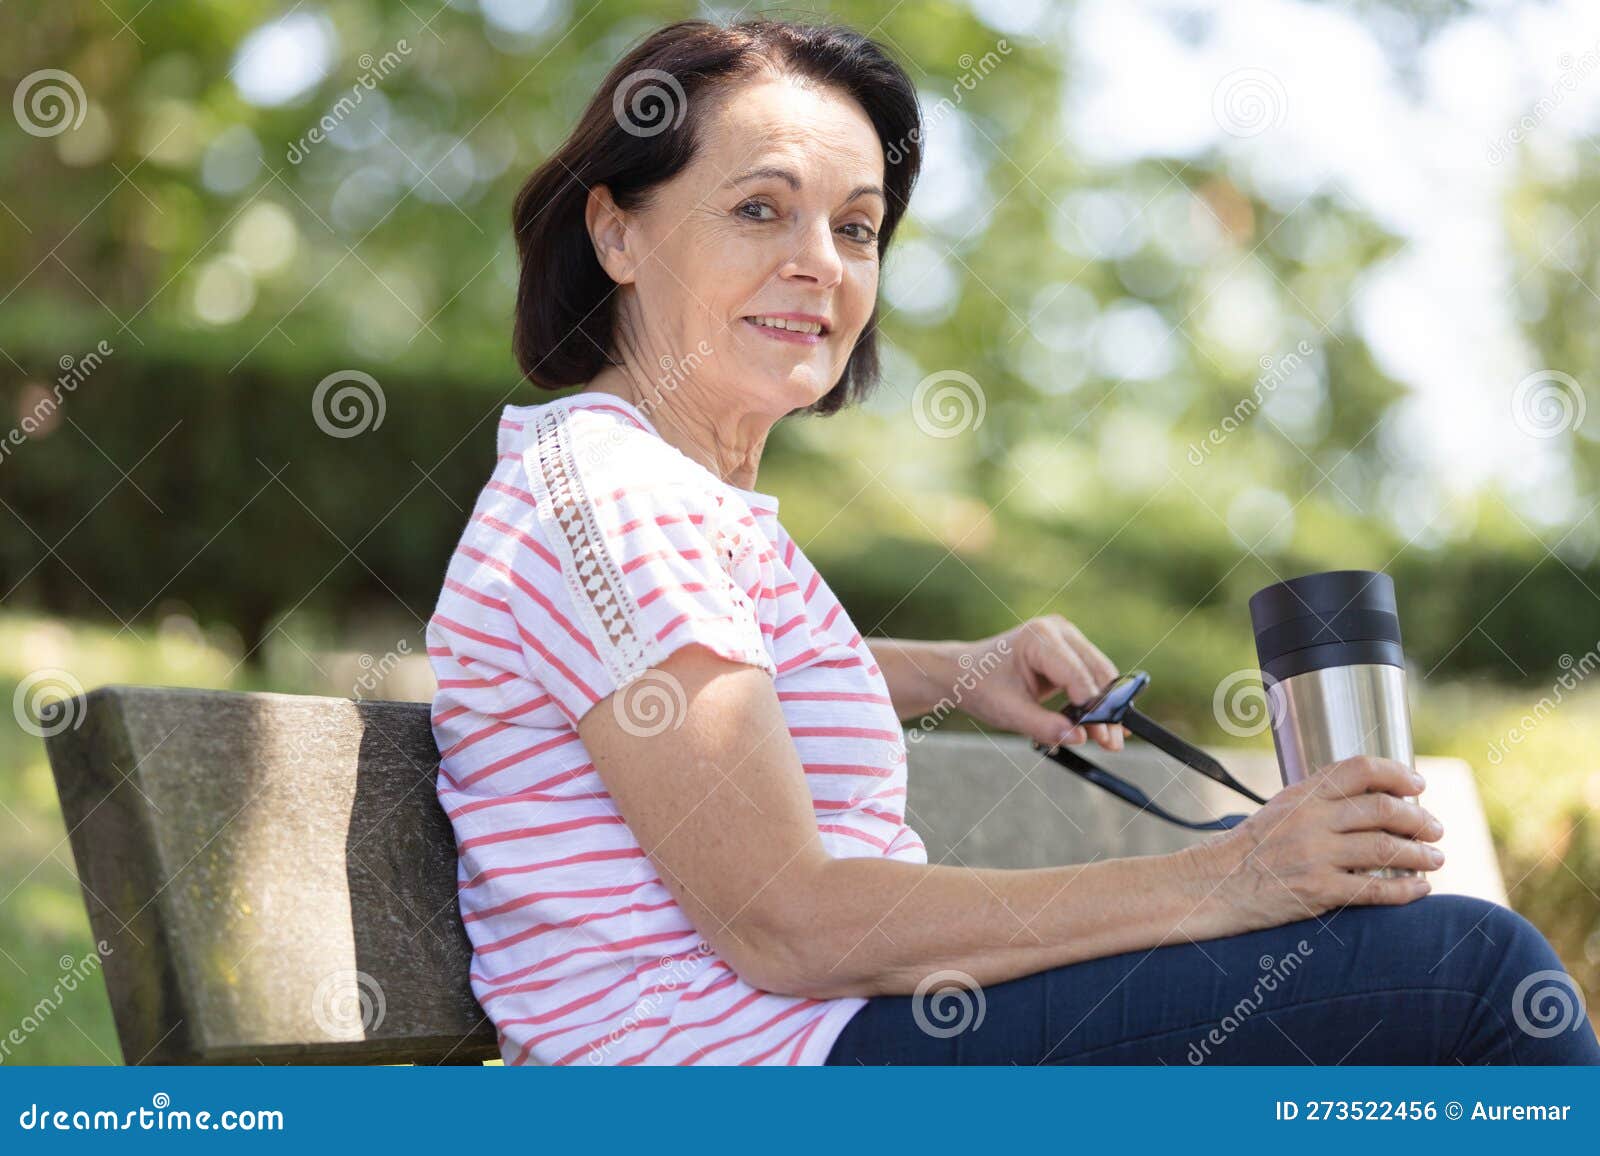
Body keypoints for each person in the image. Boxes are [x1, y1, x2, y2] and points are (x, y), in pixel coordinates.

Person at [426, 17, 1600, 1066]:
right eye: (758, 209)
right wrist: (1229, 874)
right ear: (616, 232)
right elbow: (785, 921)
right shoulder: (614, 499)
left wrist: (953, 671)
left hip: (825, 1046)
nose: (819, 265)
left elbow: (676, 674)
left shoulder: (647, 494)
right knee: (1467, 976)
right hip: (747, 1073)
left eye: (855, 227)